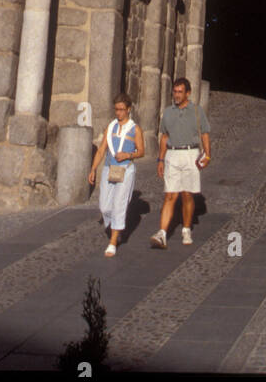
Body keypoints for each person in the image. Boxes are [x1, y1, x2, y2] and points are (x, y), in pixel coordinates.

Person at [150, 77, 211, 249]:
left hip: (191, 153)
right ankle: (162, 233)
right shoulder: (168, 112)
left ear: (188, 93)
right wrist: (160, 159)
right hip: (172, 154)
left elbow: (205, 134)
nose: (176, 95)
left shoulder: (197, 111)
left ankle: (186, 228)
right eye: (175, 92)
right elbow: (164, 137)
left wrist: (207, 155)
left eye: (179, 92)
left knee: (187, 194)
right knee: (170, 194)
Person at [88, 93, 144, 256]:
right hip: (109, 168)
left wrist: (127, 155)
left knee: (119, 205)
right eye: (116, 109)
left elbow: (141, 151)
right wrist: (93, 169)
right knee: (105, 206)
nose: (118, 113)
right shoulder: (111, 126)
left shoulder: (135, 129)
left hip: (126, 169)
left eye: (121, 110)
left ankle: (113, 241)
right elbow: (101, 149)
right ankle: (116, 228)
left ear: (128, 109)